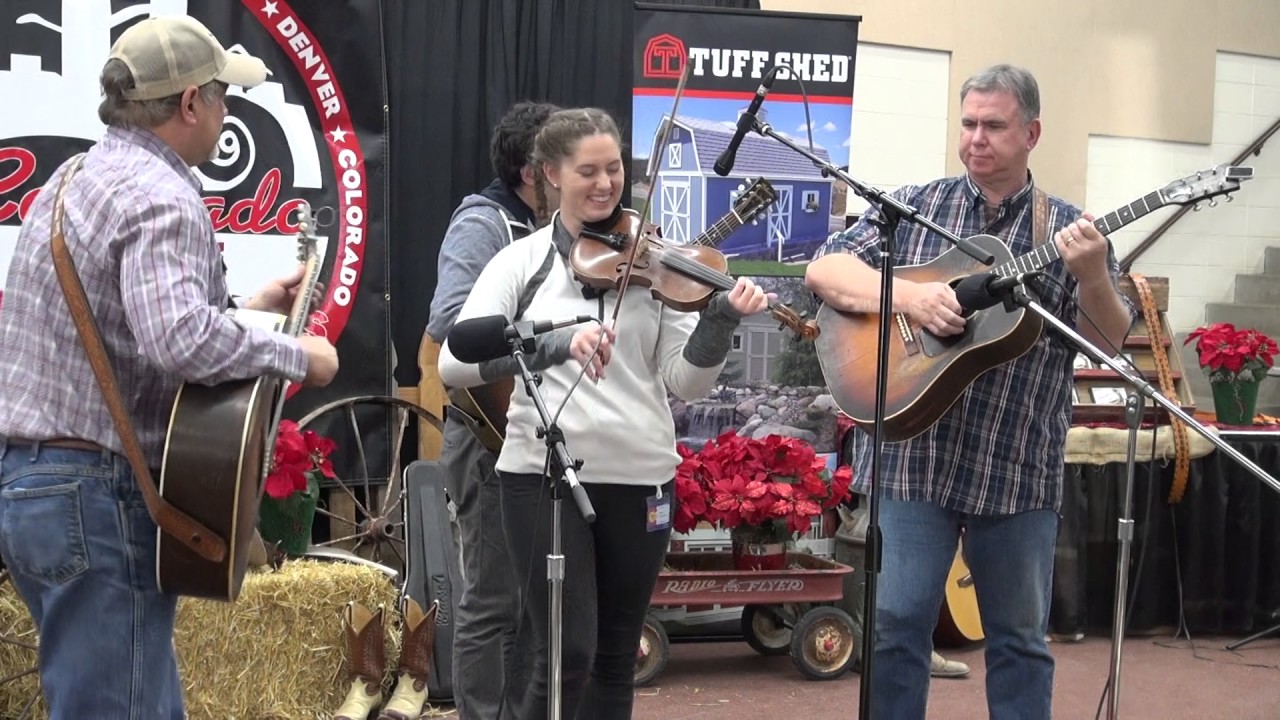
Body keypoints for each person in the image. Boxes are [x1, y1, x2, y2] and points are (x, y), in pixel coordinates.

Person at [0, 15, 339, 719]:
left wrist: (247, 308)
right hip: (96, 495)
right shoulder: (162, 194)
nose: (226, 111)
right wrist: (296, 354)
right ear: (190, 103)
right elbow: (180, 341)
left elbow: (129, 323)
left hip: (36, 486)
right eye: (222, 95)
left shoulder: (74, 177)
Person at [806, 64, 1135, 718]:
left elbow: (1109, 338)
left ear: (1031, 134)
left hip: (1014, 465)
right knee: (896, 626)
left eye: (994, 126)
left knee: (1018, 640)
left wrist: (1093, 275)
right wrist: (910, 298)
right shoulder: (916, 208)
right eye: (968, 124)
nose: (977, 138)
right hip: (913, 457)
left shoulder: (1065, 229)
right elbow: (825, 269)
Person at [438, 107, 769, 719]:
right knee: (565, 655)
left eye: (613, 168)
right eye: (587, 171)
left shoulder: (657, 261)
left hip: (641, 475)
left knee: (616, 658)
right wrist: (555, 342)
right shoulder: (522, 261)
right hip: (541, 477)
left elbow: (686, 382)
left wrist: (720, 320)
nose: (605, 183)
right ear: (550, 175)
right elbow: (455, 362)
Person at [425, 99, 559, 719]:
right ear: (532, 173)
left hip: (535, 435)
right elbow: (450, 324)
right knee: (492, 601)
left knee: (533, 603)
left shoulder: (554, 230)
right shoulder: (484, 223)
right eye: (562, 163)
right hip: (488, 437)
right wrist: (548, 333)